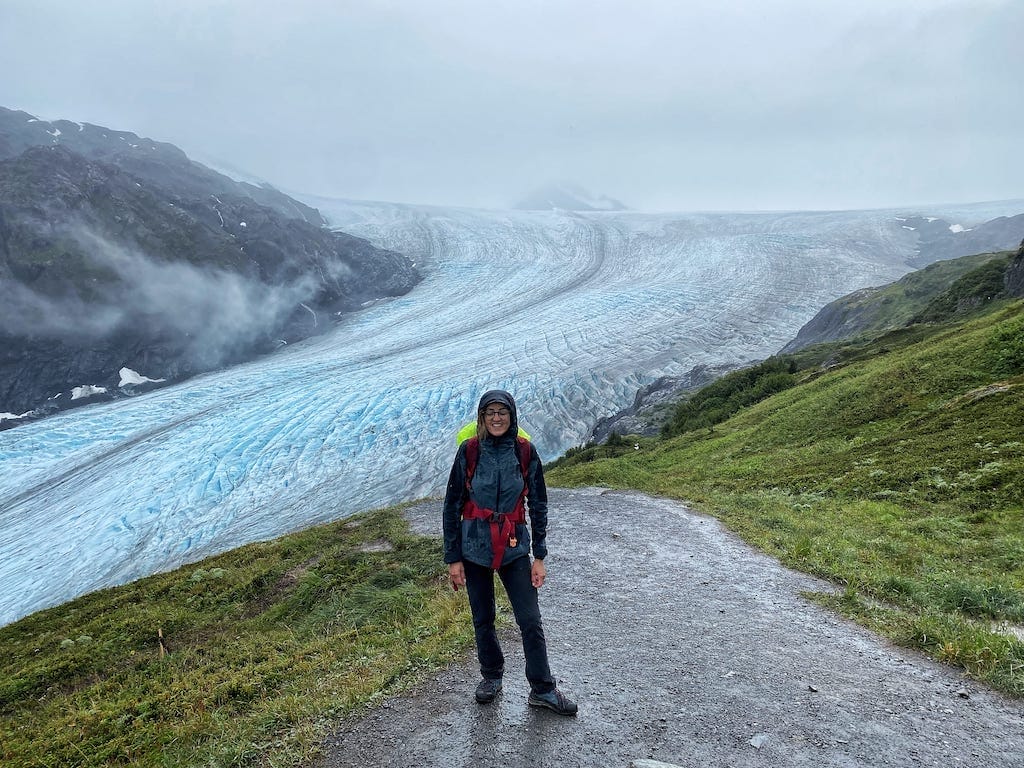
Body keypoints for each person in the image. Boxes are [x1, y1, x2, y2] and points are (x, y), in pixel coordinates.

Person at [442, 389, 577, 715]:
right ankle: (491, 676)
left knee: (530, 620)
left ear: (512, 415)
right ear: (482, 418)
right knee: (483, 617)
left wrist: (540, 556)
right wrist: (453, 558)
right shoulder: (469, 451)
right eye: (491, 412)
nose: (497, 417)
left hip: (515, 545)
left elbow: (539, 504)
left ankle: (543, 688)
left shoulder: (525, 452)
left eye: (502, 411)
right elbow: (452, 505)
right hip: (474, 546)